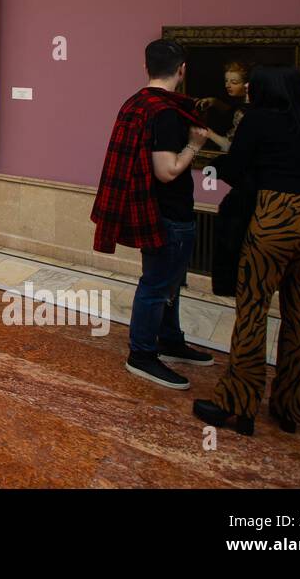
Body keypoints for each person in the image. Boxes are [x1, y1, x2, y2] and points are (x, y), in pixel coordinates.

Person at [194, 65, 300, 436]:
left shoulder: (256, 120)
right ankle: (290, 407)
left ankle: (237, 405)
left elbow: (237, 169)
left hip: (277, 216)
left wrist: (222, 164)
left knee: (253, 308)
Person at [91, 39, 214, 390]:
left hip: (151, 208)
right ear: (182, 70)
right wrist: (195, 145)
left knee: (168, 282)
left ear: (146, 67)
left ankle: (169, 340)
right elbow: (167, 170)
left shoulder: (137, 103)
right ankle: (142, 353)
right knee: (157, 284)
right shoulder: (166, 112)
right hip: (167, 211)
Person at [197, 60, 251, 151]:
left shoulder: (246, 112)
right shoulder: (243, 105)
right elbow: (234, 111)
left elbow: (231, 147)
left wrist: (208, 133)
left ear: (247, 85)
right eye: (226, 81)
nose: (227, 85)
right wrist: (215, 102)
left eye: (234, 82)